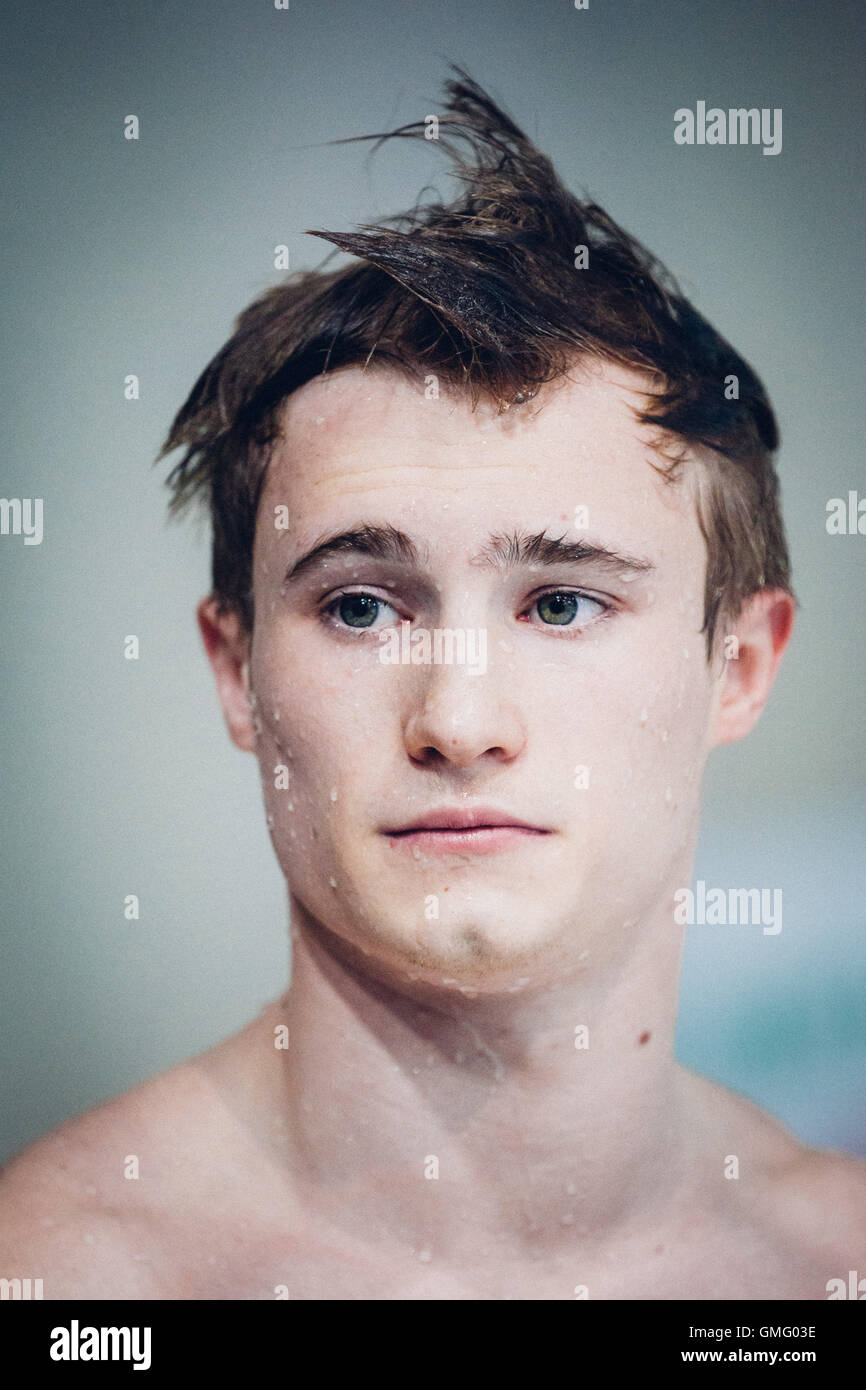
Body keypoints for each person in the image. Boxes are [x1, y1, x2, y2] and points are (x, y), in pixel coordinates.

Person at [1, 67, 863, 1301]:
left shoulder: (835, 1271)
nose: (457, 721)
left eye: (561, 603)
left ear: (738, 665)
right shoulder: (58, 1281)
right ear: (236, 670)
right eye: (359, 605)